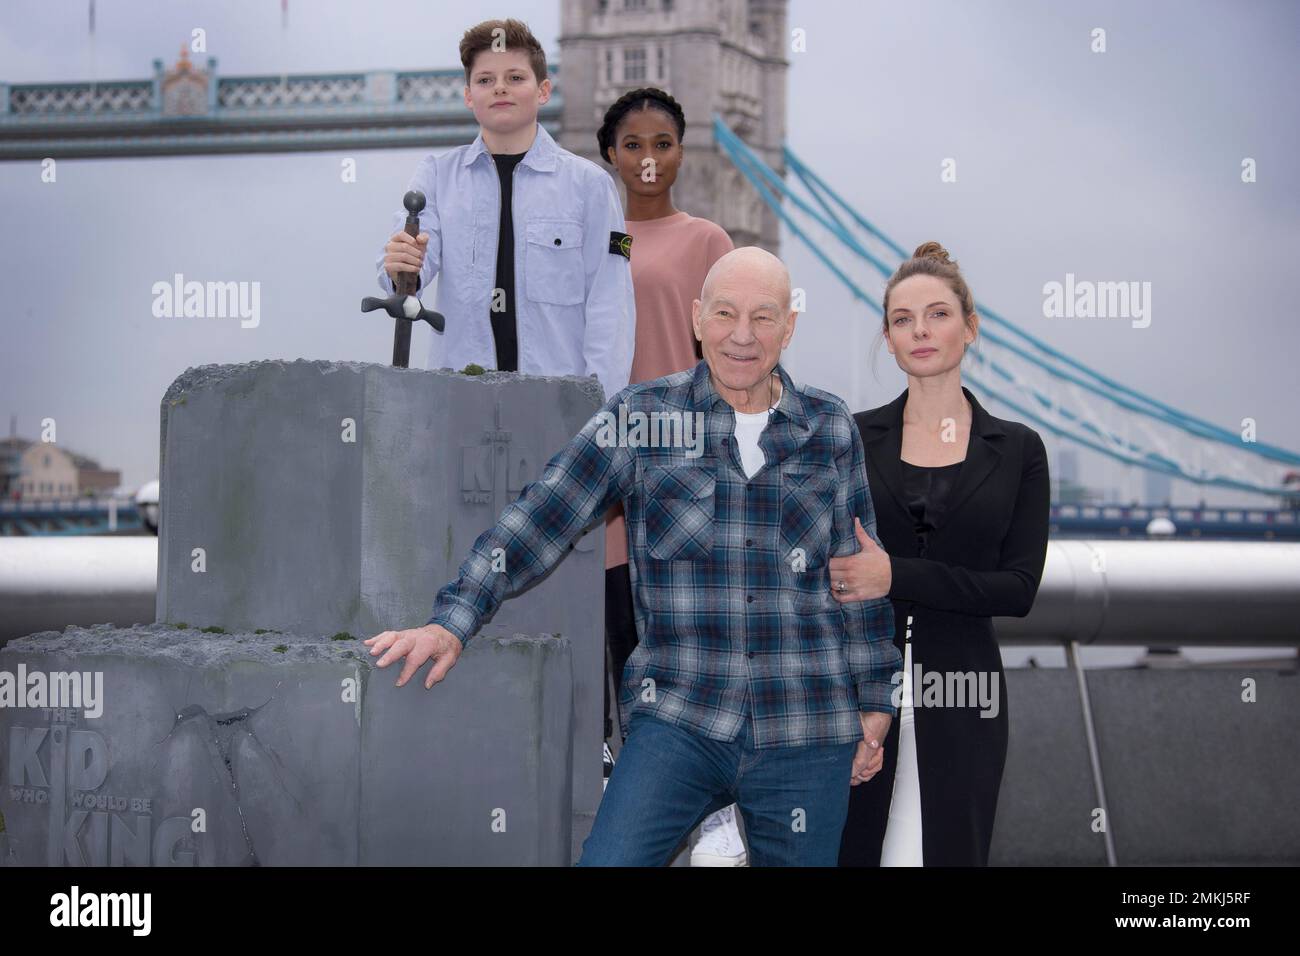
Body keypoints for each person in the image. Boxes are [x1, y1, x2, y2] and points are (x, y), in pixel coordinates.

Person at [364, 247, 901, 867]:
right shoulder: (642, 417)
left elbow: (858, 574)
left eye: (763, 317)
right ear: (698, 319)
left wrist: (875, 701)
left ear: (789, 325)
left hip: (805, 728)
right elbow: (544, 515)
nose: (743, 336)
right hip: (679, 719)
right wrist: (452, 620)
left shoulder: (830, 428)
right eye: (725, 314)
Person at [831, 242, 1050, 866]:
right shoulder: (849, 436)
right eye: (902, 320)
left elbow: (1018, 588)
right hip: (854, 693)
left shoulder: (1018, 450)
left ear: (970, 328)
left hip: (964, 693)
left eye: (937, 314)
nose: (920, 330)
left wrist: (894, 574)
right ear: (889, 337)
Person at [593, 86, 739, 864]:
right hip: (604, 477)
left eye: (665, 142)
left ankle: (707, 834)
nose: (649, 158)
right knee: (613, 662)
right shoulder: (597, 235)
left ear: (682, 150)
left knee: (682, 680)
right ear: (609, 154)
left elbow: (736, 355)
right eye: (632, 144)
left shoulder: (707, 239)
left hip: (682, 482)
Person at [376, 18, 636, 402]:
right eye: (485, 80)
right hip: (459, 403)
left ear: (543, 90)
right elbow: (404, 274)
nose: (499, 87)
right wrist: (398, 262)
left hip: (559, 410)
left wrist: (600, 410)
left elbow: (611, 306)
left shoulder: (594, 186)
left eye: (515, 77)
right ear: (468, 96)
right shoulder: (435, 174)